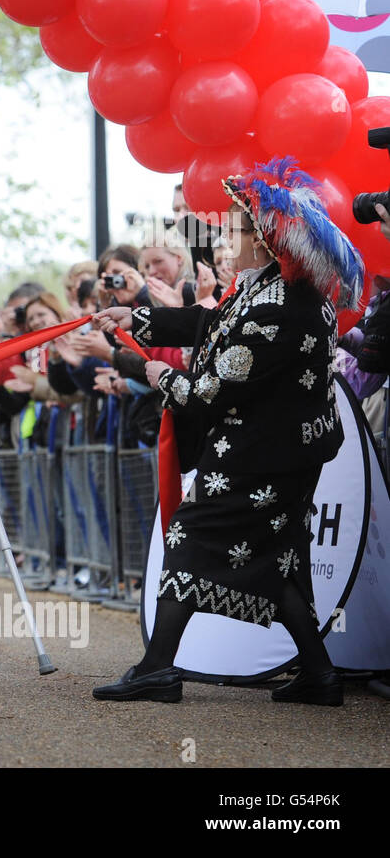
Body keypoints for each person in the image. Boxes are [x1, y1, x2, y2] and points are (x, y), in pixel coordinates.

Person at [92, 158, 363, 706]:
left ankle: (157, 668)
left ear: (263, 239)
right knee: (280, 562)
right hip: (267, 450)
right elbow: (208, 323)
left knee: (191, 538)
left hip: (262, 454)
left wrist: (153, 370)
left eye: (234, 229)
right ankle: (319, 674)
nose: (221, 236)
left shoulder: (286, 303)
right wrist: (135, 320)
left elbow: (209, 389)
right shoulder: (267, 288)